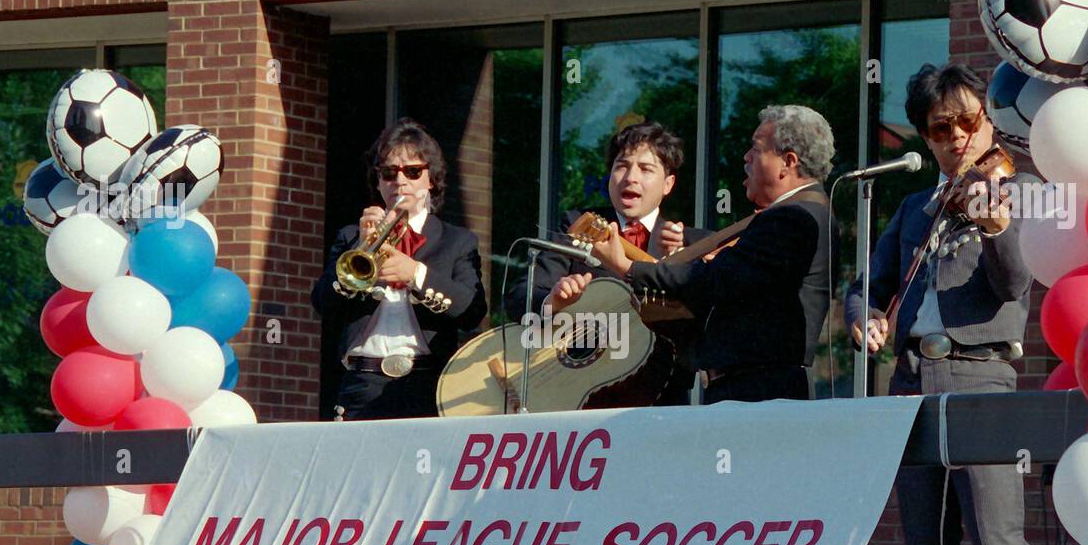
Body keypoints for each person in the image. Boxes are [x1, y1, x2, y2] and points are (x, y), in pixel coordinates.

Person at [844, 62, 1042, 545]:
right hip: (909, 383)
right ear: (926, 138)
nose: (956, 137)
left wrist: (996, 227)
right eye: (939, 128)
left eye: (966, 122)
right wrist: (865, 317)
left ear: (988, 123)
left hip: (980, 375)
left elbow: (1013, 284)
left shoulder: (1019, 189)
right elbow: (867, 285)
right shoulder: (915, 208)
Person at [589, 104, 838, 404]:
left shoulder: (792, 218)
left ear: (788, 161)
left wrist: (627, 266)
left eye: (756, 149)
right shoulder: (799, 214)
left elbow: (714, 281)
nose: (746, 157)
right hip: (752, 388)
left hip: (758, 393)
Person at [503, 121, 709, 405]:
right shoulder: (579, 226)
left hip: (664, 399)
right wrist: (553, 302)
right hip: (583, 396)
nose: (630, 178)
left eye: (646, 169)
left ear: (668, 184)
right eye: (622, 166)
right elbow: (520, 297)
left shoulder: (693, 244)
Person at [311, 118, 486, 420]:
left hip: (427, 383)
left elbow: (472, 312)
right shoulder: (351, 236)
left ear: (431, 180)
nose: (400, 181)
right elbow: (322, 304)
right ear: (378, 182)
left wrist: (416, 274)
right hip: (362, 382)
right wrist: (360, 251)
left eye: (413, 171)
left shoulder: (457, 241)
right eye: (389, 173)